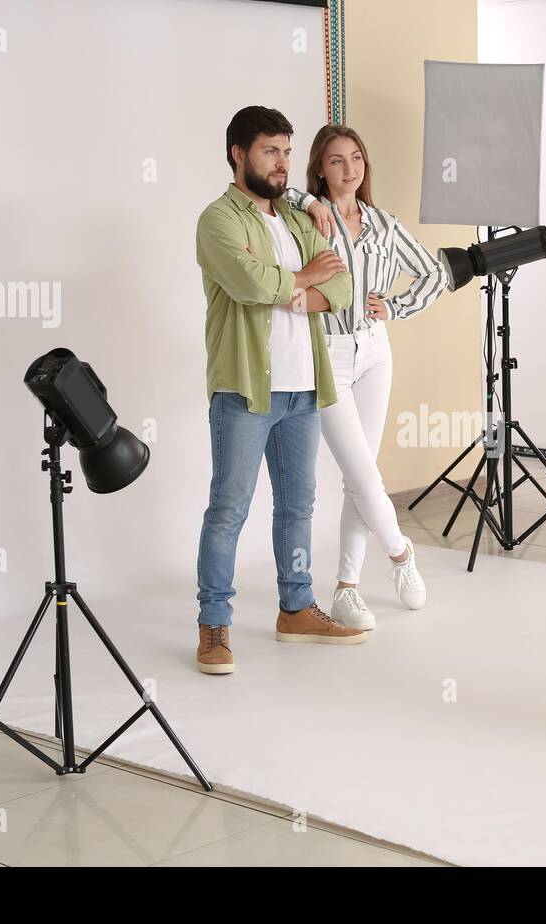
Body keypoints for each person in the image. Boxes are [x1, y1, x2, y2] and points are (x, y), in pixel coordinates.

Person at [194, 105, 367, 676]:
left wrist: (301, 286)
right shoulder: (218, 220)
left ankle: (295, 607)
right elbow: (248, 283)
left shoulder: (298, 217)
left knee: (298, 508)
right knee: (229, 510)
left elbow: (340, 284)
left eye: (288, 152)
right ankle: (214, 625)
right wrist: (304, 278)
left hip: (303, 388)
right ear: (239, 154)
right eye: (271, 151)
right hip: (246, 390)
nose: (282, 163)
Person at [280, 124, 448, 631]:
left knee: (362, 473)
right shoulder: (307, 215)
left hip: (374, 351)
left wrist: (394, 306)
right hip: (326, 353)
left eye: (356, 158)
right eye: (336, 160)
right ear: (320, 168)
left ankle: (347, 589)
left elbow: (435, 273)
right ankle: (401, 555)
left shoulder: (382, 224)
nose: (349, 168)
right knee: (362, 473)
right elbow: (274, 192)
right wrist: (308, 202)